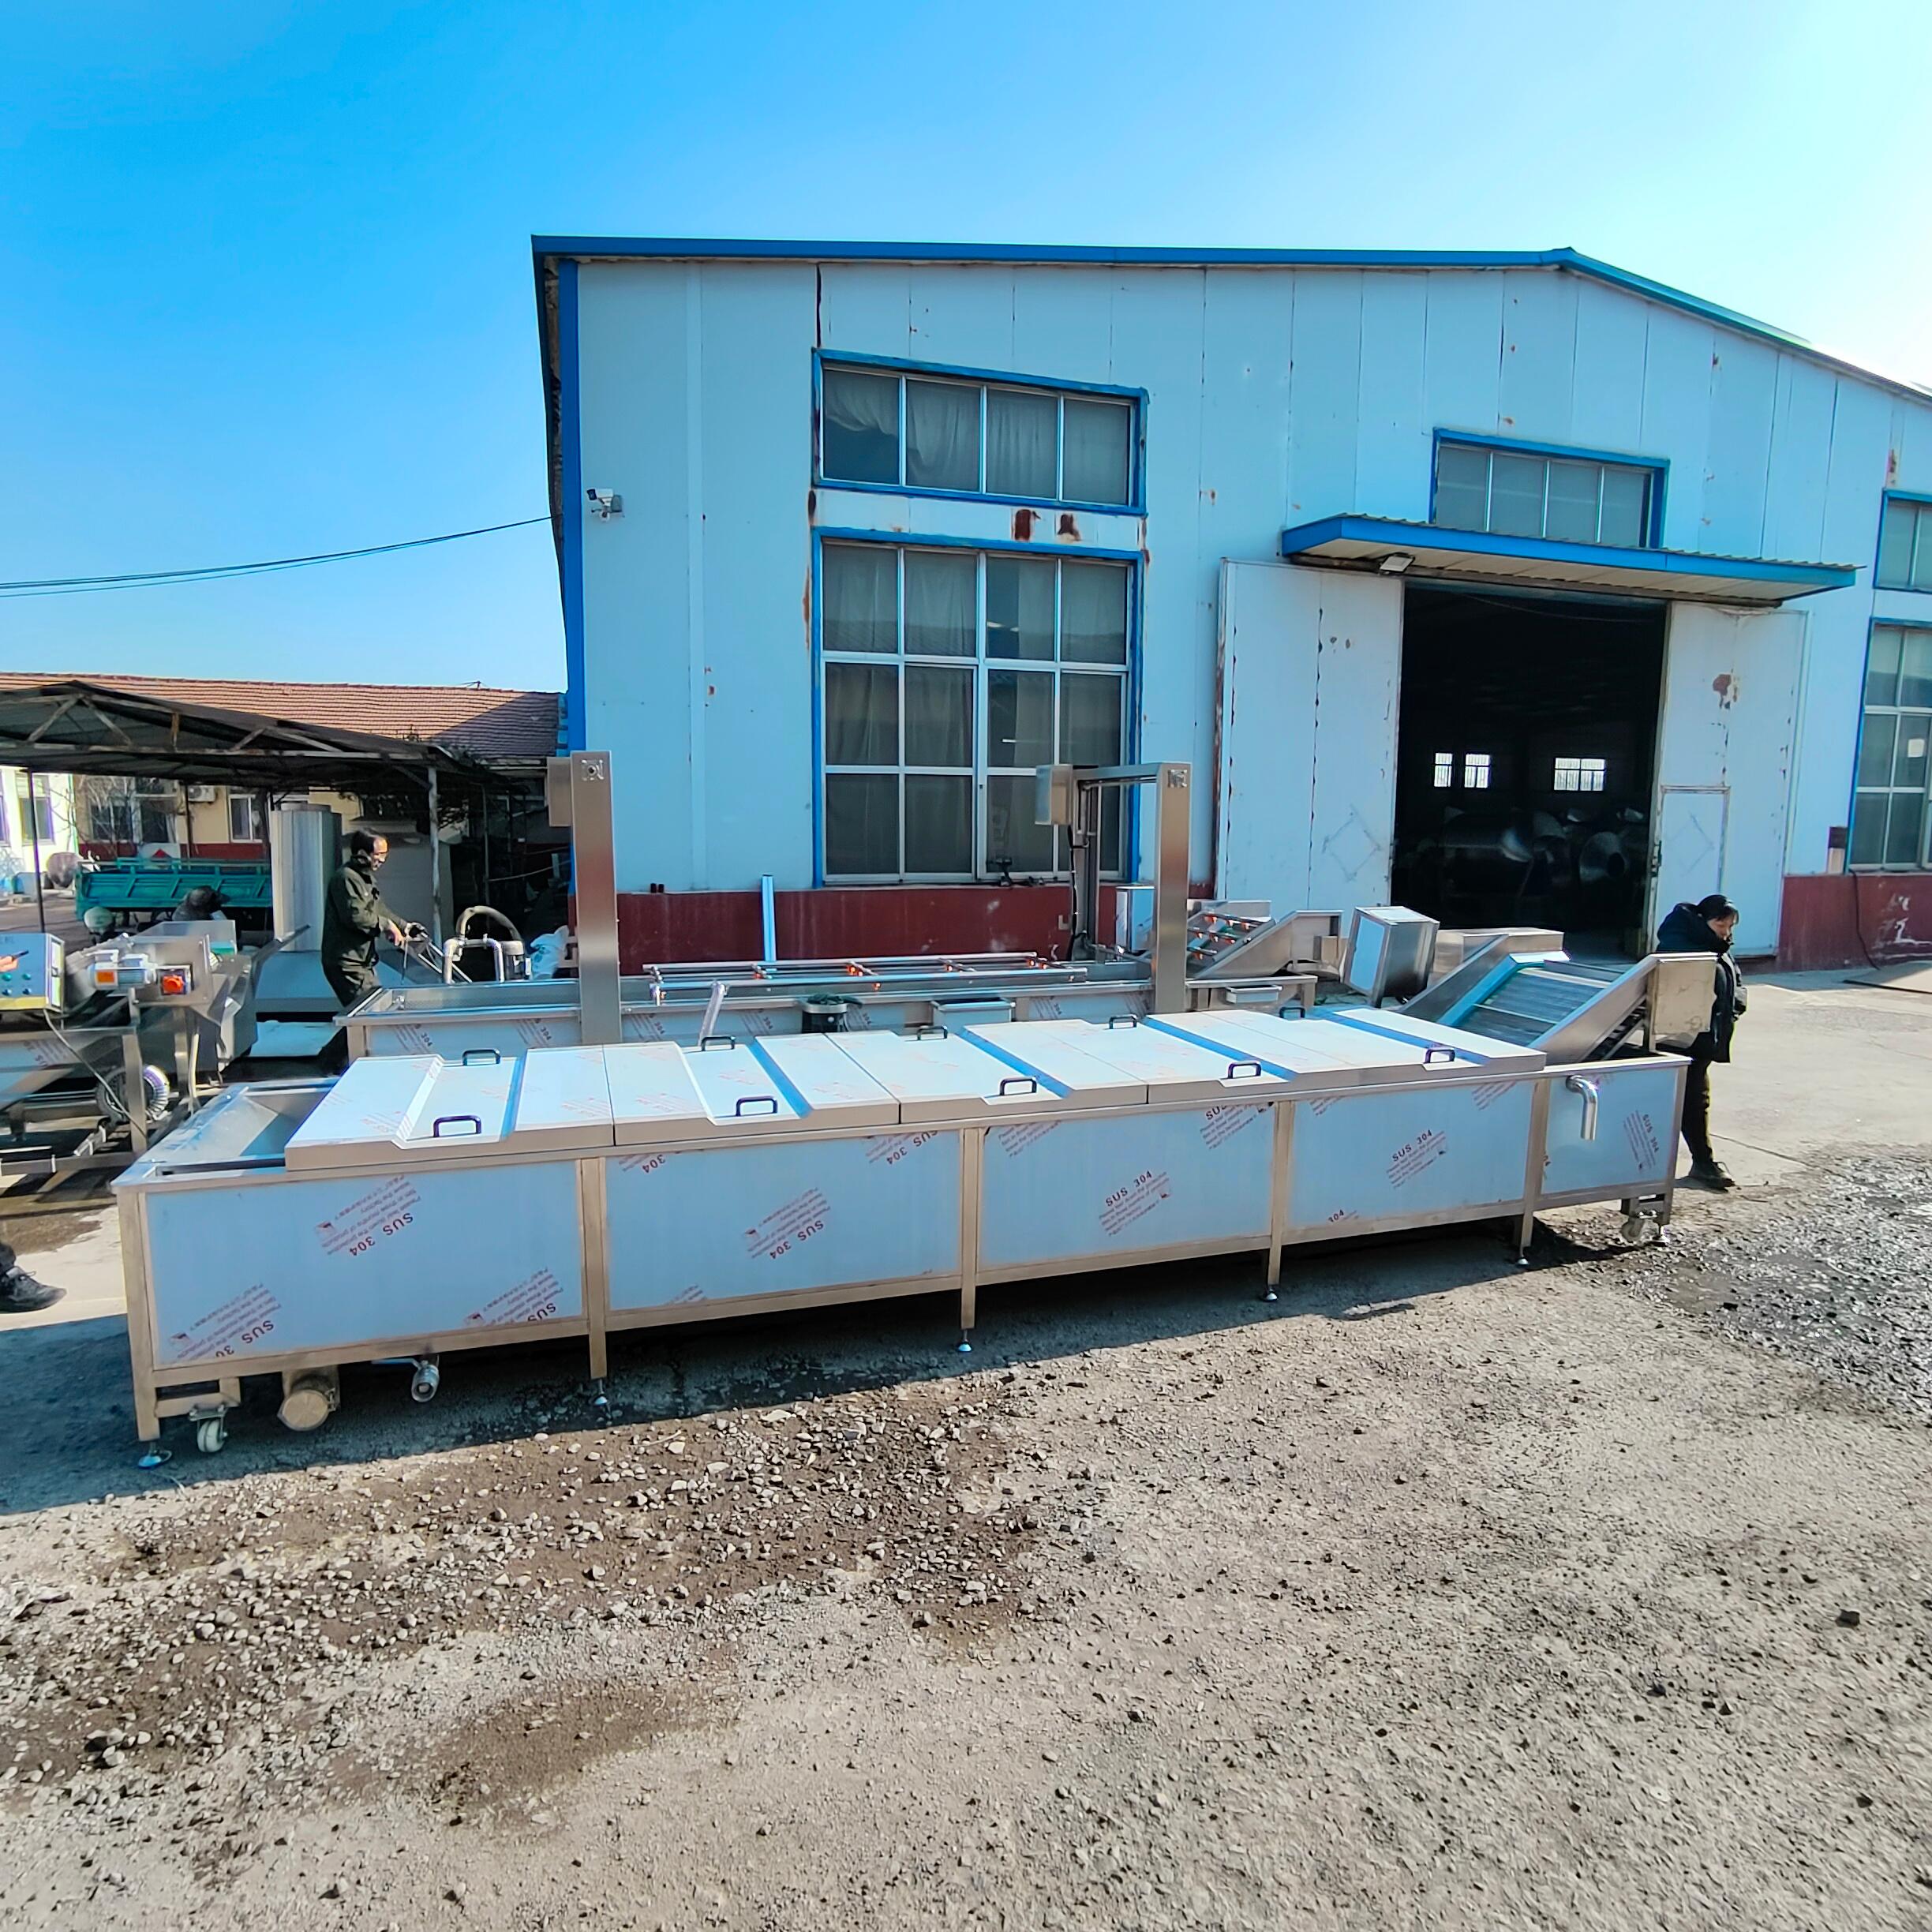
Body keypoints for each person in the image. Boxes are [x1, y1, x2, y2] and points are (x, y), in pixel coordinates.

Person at [1656, 892, 1747, 1191]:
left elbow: (1736, 983)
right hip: (1678, 1043)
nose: (1726, 933)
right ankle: (1699, 1164)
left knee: (1695, 1101)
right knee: (1687, 1102)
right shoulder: (1680, 946)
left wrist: (1734, 1008)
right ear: (1704, 921)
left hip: (1706, 1040)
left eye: (1730, 927)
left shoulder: (1719, 948)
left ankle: (1701, 1163)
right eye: (1721, 926)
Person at [319, 830, 409, 1012]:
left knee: (372, 1011)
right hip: (347, 962)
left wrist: (404, 926)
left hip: (361, 961)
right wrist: (385, 925)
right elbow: (355, 917)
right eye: (379, 854)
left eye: (385, 854)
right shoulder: (346, 878)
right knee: (370, 1013)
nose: (383, 860)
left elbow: (378, 909)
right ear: (362, 854)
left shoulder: (364, 878)